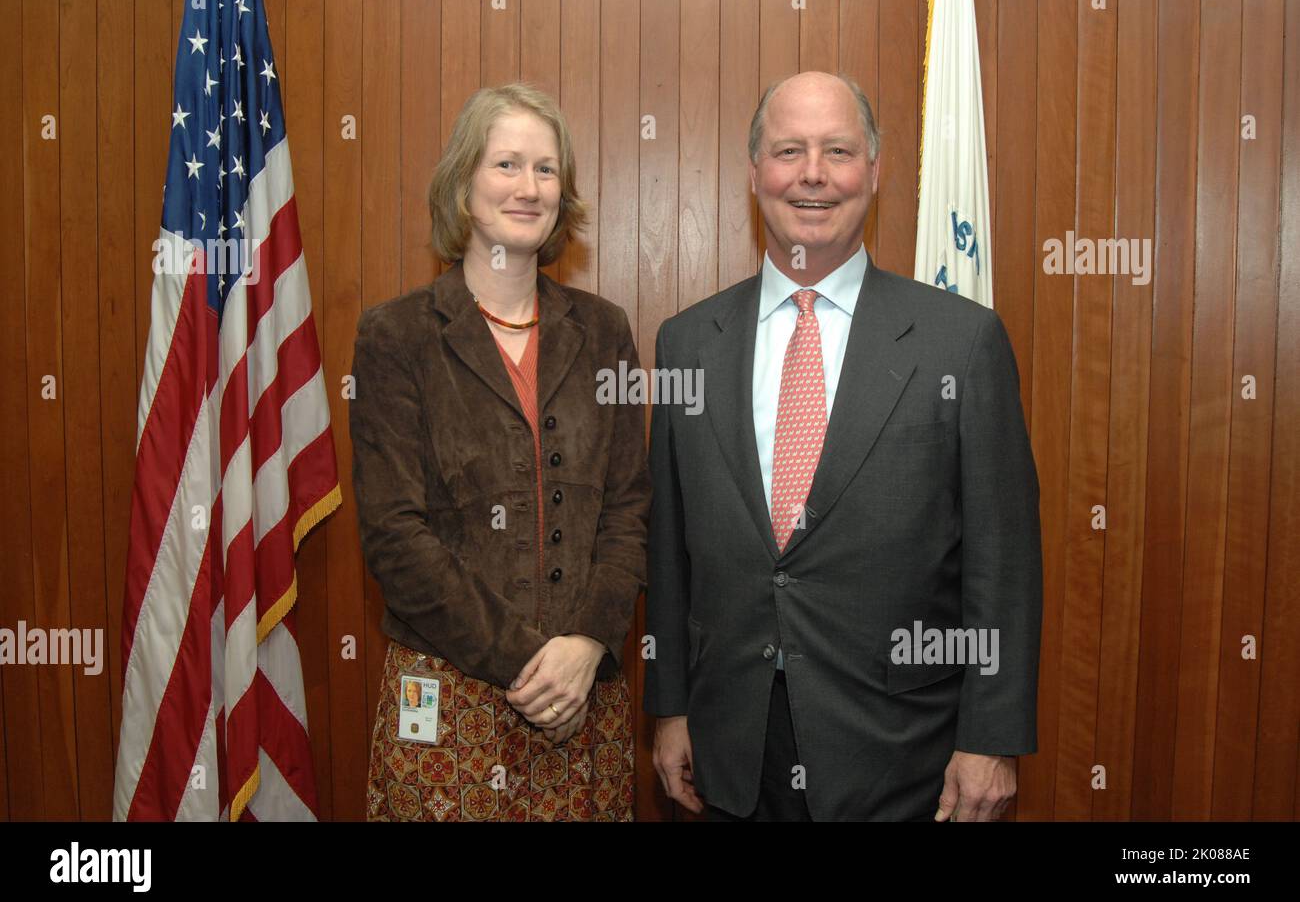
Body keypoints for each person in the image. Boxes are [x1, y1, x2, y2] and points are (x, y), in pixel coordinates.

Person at [644, 71, 1043, 821]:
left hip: (904, 761)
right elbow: (668, 550)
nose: (813, 174)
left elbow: (1005, 560)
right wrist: (667, 707)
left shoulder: (962, 341)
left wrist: (991, 738)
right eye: (789, 150)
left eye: (838, 151)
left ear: (876, 171)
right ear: (755, 170)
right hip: (731, 755)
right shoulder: (687, 343)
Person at [352, 83, 650, 821]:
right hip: (449, 705)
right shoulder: (397, 337)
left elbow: (629, 508)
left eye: (546, 169)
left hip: (584, 698)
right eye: (507, 164)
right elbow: (394, 534)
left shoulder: (605, 331)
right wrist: (527, 660)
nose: (529, 187)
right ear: (463, 183)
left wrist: (584, 642)